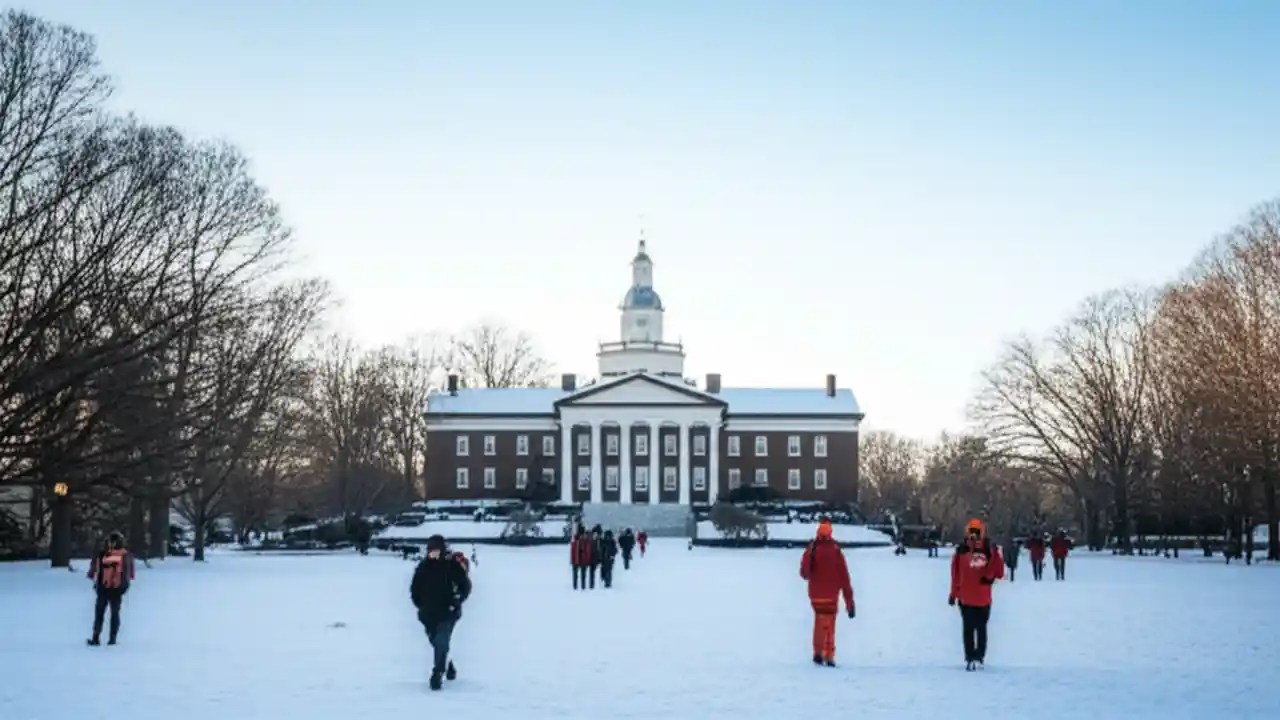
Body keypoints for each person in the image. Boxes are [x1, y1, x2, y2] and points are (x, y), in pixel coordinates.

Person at [410, 535, 472, 691]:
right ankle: (448, 664)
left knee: (441, 641)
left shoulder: (452, 566)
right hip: (428, 614)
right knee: (436, 642)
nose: (433, 553)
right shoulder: (423, 567)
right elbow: (415, 589)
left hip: (448, 612)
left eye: (436, 550)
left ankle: (437, 674)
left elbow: (465, 585)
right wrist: (419, 605)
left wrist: (457, 600)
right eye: (430, 550)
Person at [949, 519, 1005, 671]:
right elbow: (999, 573)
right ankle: (979, 656)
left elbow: (955, 575)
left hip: (966, 597)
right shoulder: (989, 549)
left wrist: (953, 594)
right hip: (982, 597)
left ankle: (970, 656)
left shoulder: (961, 551)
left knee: (968, 628)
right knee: (981, 628)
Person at [799, 518, 855, 667]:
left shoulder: (812, 548)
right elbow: (844, 577)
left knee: (819, 621)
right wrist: (850, 603)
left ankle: (818, 652)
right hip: (831, 595)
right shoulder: (835, 551)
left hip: (815, 595)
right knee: (829, 624)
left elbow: (804, 573)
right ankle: (828, 654)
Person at [86, 531, 134, 647]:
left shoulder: (102, 553)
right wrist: (125, 584)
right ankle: (112, 638)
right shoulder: (125, 554)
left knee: (99, 613)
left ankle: (95, 637)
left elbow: (93, 569)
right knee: (115, 613)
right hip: (117, 589)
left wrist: (92, 575)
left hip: (102, 587)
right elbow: (130, 573)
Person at [570, 526, 593, 590]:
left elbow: (587, 551)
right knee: (578, 574)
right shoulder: (577, 540)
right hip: (578, 559)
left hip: (581, 560)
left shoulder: (578, 540)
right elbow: (573, 550)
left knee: (581, 575)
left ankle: (581, 586)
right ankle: (577, 586)